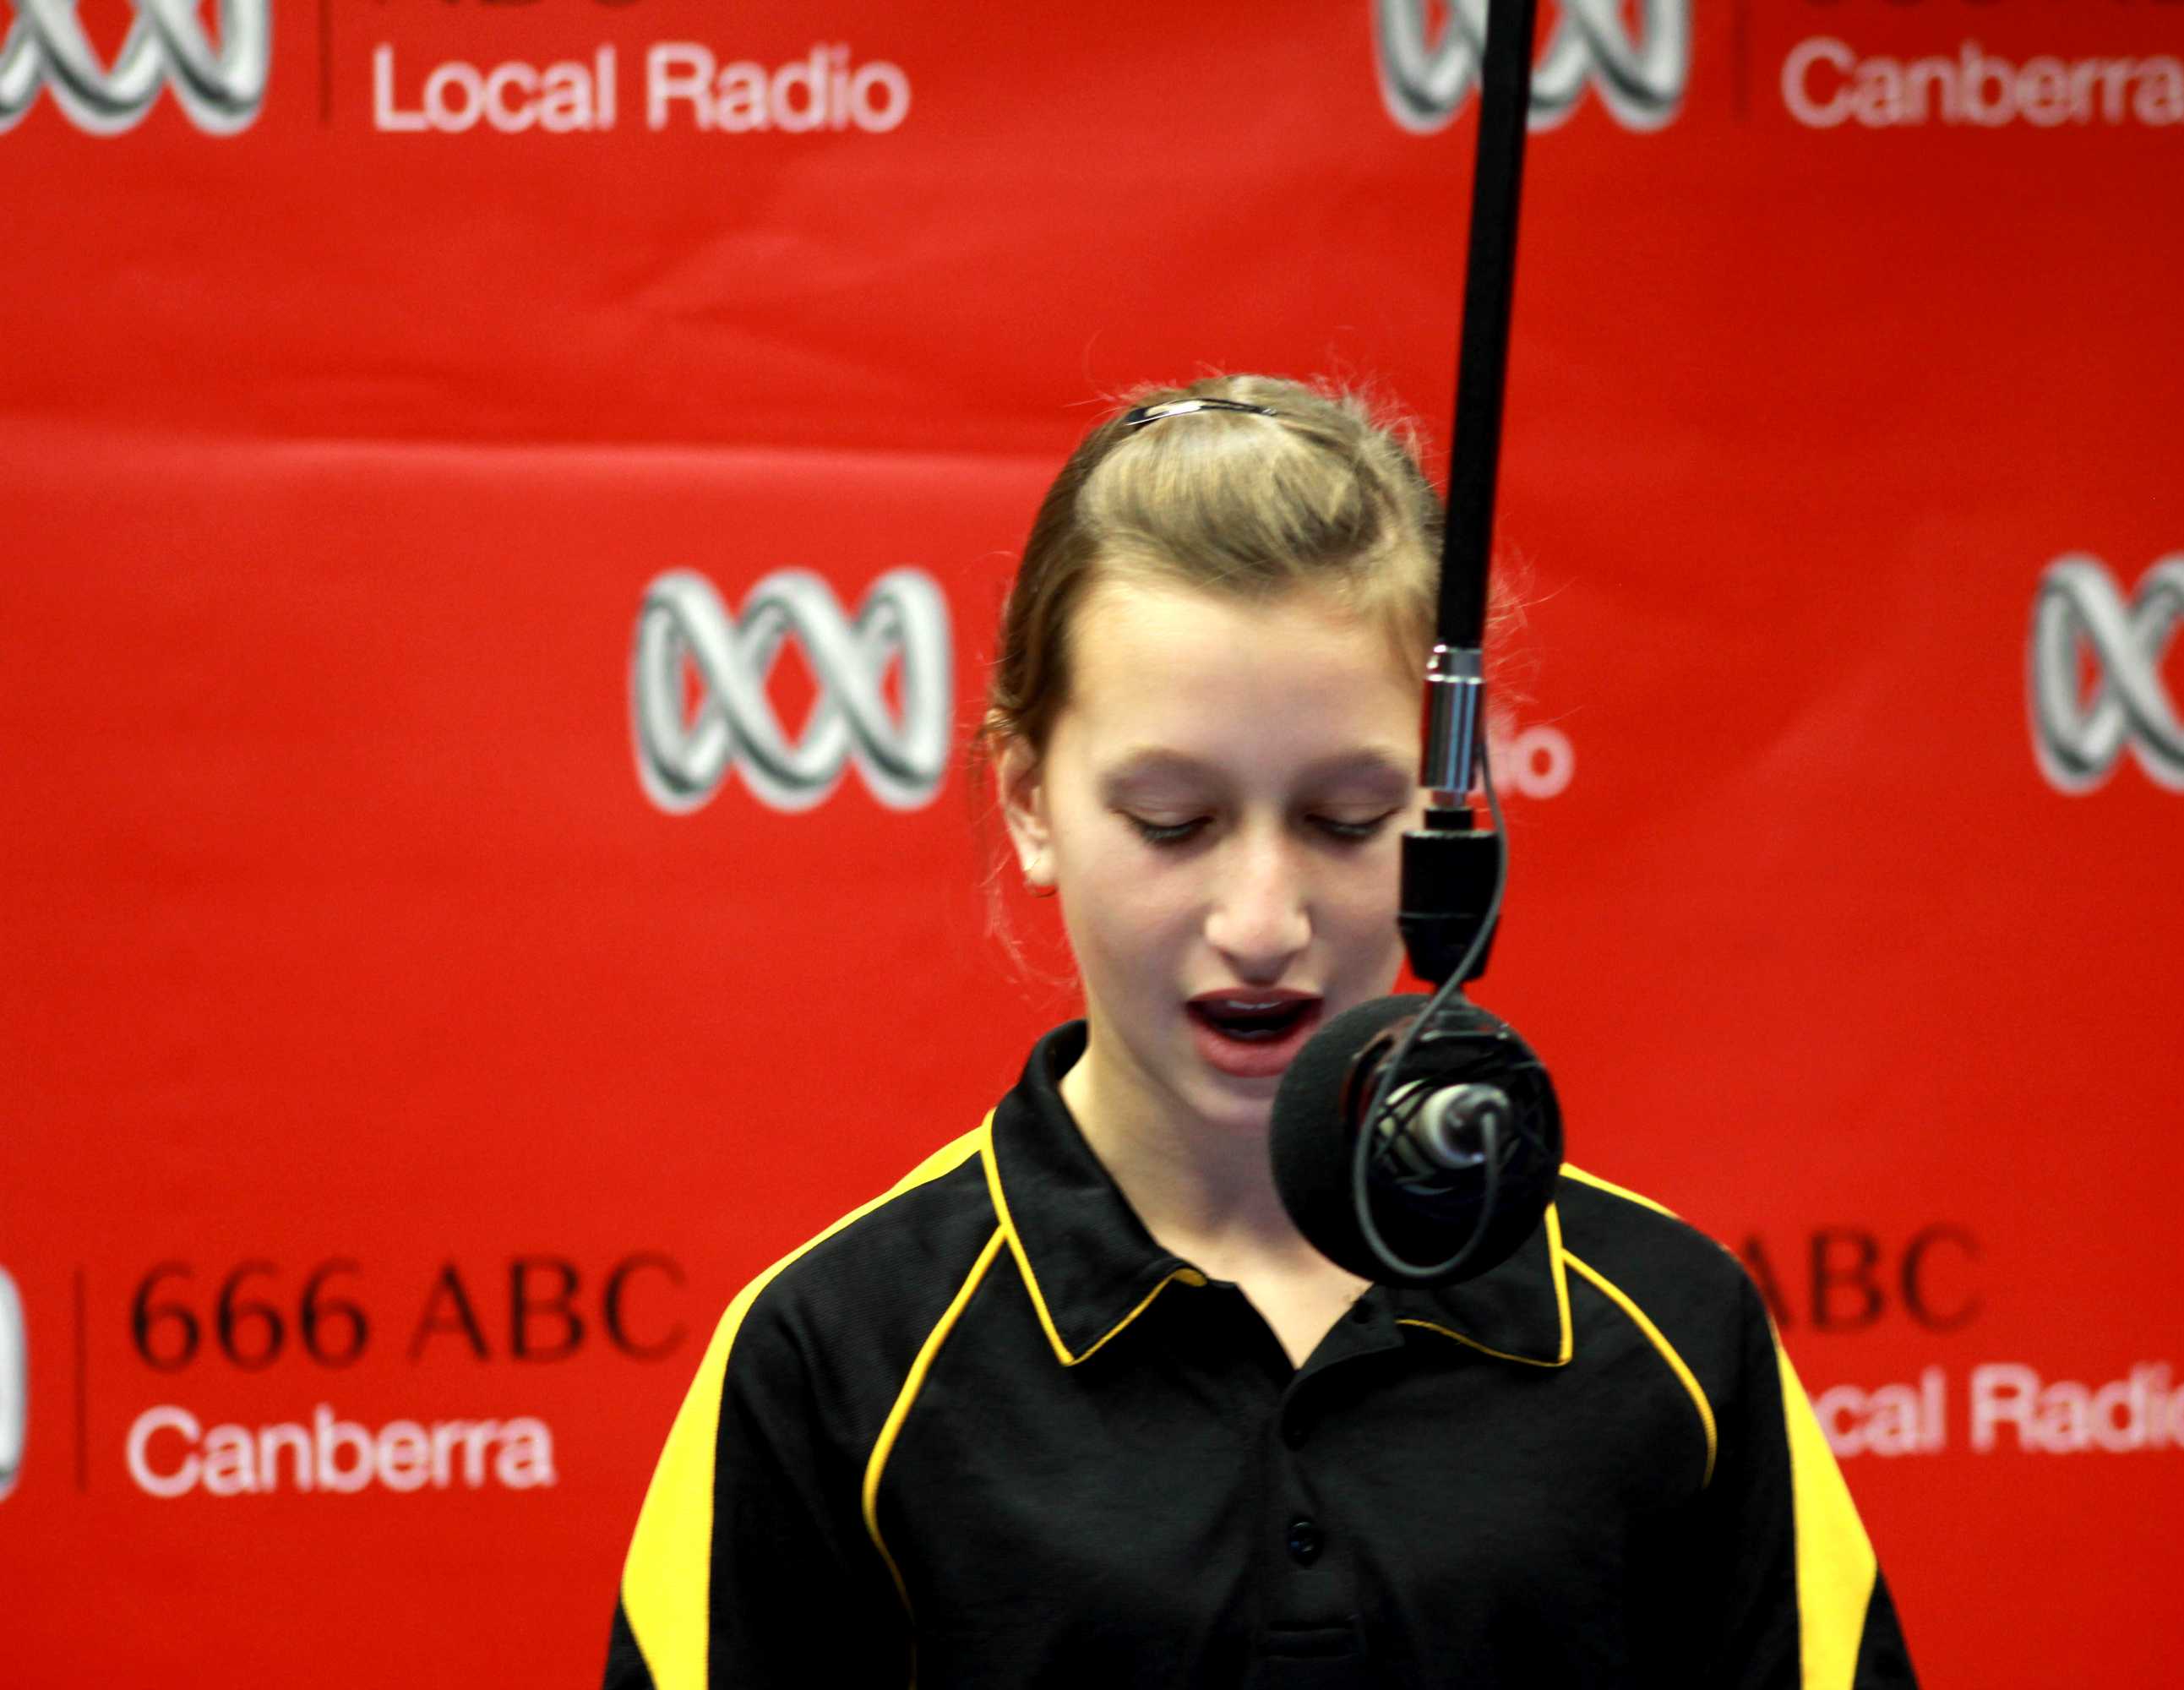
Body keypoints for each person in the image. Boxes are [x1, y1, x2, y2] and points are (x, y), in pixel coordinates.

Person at [602, 374, 1918, 1688]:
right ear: (1029, 800)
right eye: (1173, 822)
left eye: (1347, 819)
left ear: (1445, 815)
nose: (1261, 920)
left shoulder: (1671, 1333)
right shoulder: (834, 1360)